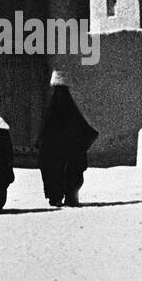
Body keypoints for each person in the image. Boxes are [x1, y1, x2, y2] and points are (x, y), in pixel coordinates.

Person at [37, 70, 98, 208]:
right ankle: (68, 196)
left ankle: (57, 197)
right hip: (68, 146)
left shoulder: (53, 107)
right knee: (69, 168)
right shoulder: (69, 107)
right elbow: (81, 128)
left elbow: (46, 129)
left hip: (56, 146)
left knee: (55, 168)